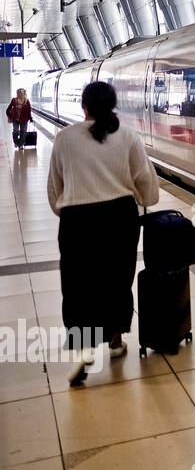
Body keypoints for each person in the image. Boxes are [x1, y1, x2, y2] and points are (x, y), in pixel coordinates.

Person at [47, 81, 159, 385]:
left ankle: (84, 350)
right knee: (117, 280)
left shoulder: (65, 138)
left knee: (78, 286)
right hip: (118, 219)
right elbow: (145, 181)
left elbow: (55, 189)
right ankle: (114, 339)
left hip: (77, 222)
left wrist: (69, 210)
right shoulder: (128, 136)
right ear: (113, 106)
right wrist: (146, 201)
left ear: (84, 107)